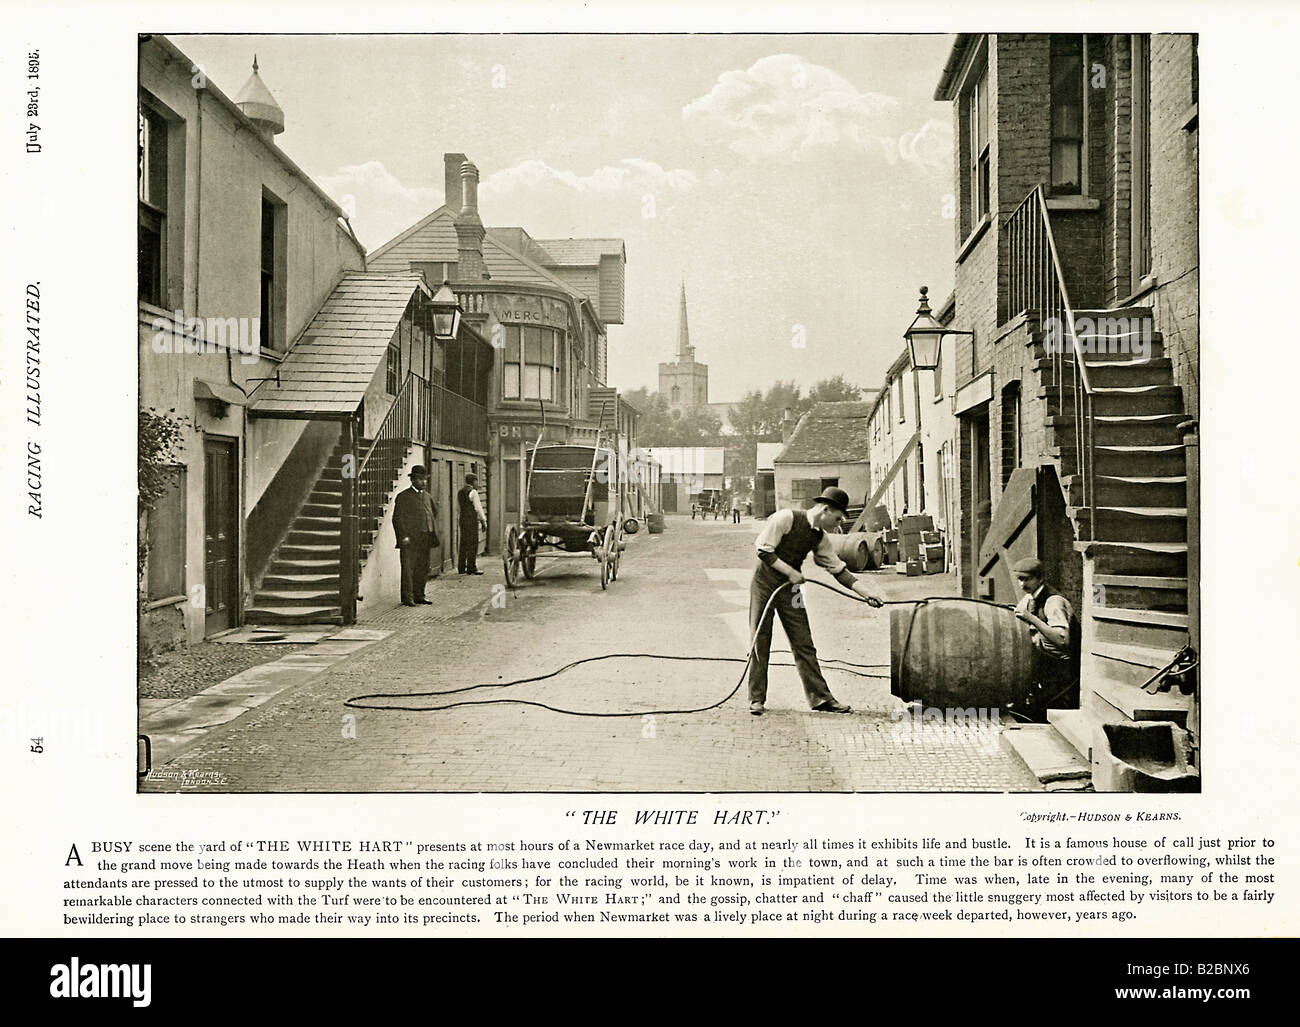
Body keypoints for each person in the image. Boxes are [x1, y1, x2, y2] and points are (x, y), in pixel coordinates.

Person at [748, 486, 887, 716]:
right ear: (824, 509)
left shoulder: (820, 537)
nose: (839, 522)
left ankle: (820, 698)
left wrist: (866, 593)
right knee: (760, 639)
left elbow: (839, 570)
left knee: (804, 642)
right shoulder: (786, 518)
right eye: (837, 517)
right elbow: (763, 550)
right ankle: (756, 698)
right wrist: (790, 572)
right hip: (764, 585)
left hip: (790, 591)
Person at [1012, 557, 1081, 719]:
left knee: (1051, 713)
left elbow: (1062, 640)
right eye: (1019, 579)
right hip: (1044, 664)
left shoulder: (1053, 601)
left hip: (1062, 670)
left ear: (1040, 578)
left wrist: (1032, 619)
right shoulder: (1029, 598)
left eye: (1027, 579)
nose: (1022, 584)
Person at [393, 465, 437, 606]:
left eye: (424, 479)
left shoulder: (427, 496)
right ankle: (408, 597)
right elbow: (397, 519)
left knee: (422, 567)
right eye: (419, 479)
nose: (423, 482)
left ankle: (420, 595)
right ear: (412, 480)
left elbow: (433, 513)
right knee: (408, 568)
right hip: (410, 539)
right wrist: (403, 536)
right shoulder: (403, 497)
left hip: (425, 537)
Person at [457, 472, 488, 575]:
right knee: (473, 543)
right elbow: (478, 508)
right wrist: (483, 521)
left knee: (463, 543)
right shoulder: (473, 492)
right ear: (473, 481)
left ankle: (461, 567)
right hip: (471, 520)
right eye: (476, 481)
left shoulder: (460, 492)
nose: (477, 483)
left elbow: (458, 508)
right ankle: (471, 567)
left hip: (463, 519)